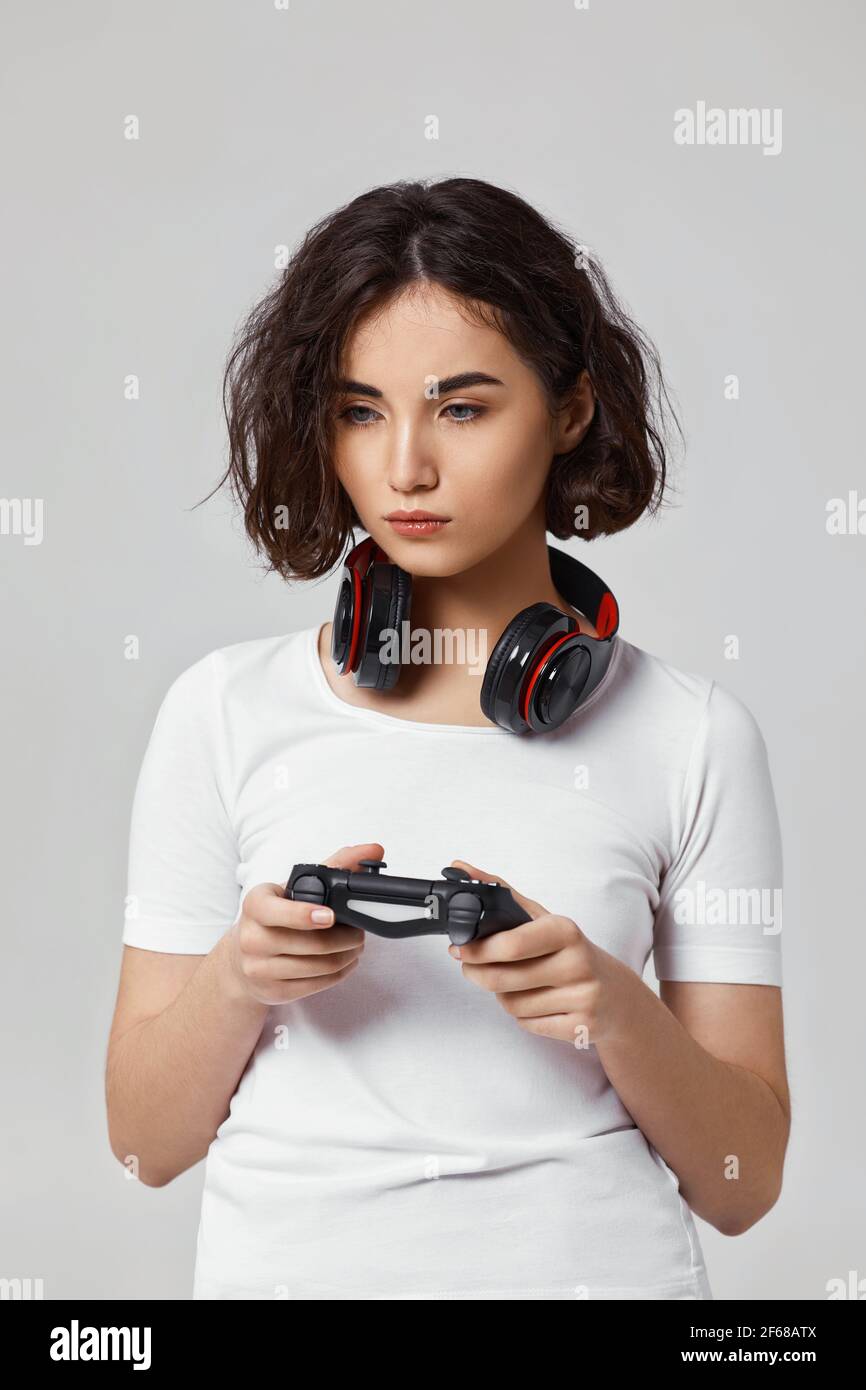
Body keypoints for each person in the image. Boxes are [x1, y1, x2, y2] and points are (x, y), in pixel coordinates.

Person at [105, 177, 790, 1301]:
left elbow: (741, 1182)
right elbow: (144, 1146)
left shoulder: (693, 735)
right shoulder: (220, 711)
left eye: (461, 408)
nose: (402, 468)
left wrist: (609, 1003)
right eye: (359, 410)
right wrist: (239, 978)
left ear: (567, 411)